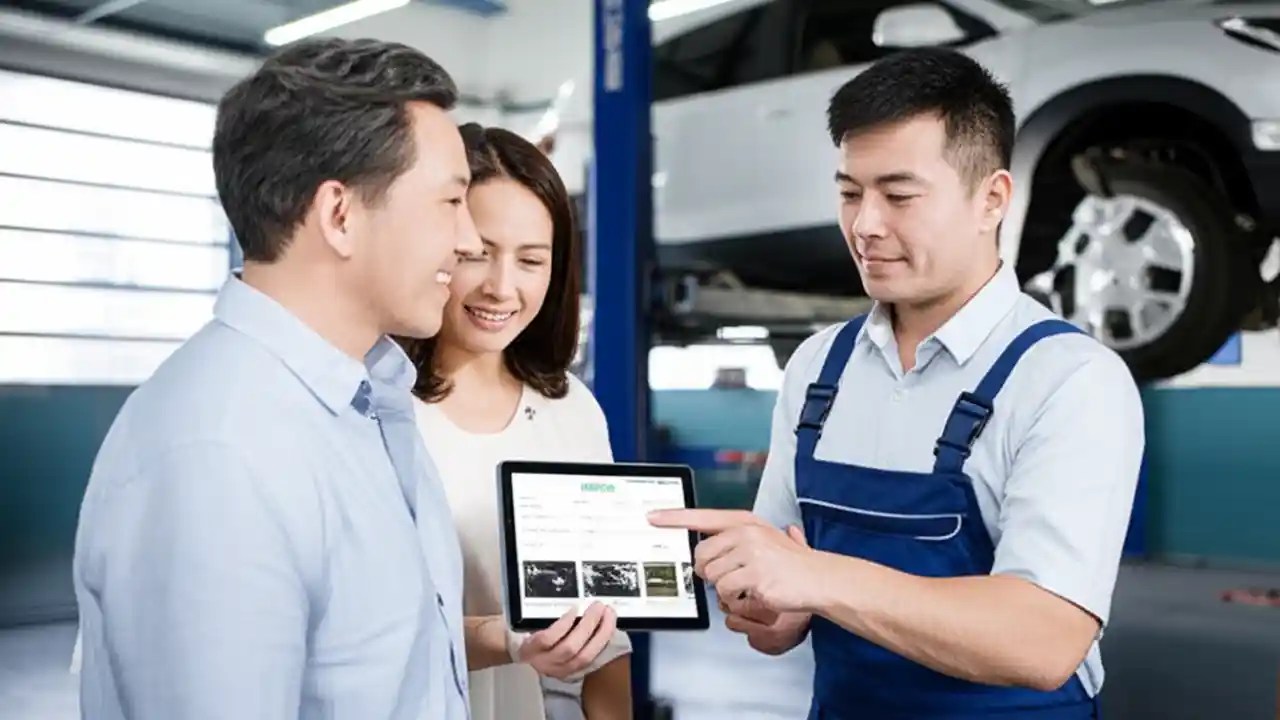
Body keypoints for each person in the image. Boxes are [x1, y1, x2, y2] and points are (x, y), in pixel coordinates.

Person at [650, 47, 1145, 719]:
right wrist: (765, 606)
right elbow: (781, 612)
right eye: (850, 193)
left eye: (899, 196)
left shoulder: (1069, 380)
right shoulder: (818, 368)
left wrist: (818, 578)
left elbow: (1045, 639)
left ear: (992, 199)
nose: (866, 225)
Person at [70, 38, 482, 719]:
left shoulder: (365, 406)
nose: (469, 240)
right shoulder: (219, 456)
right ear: (340, 215)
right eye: (451, 203)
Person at [399, 123, 633, 720]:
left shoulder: (570, 410)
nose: (503, 288)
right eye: (477, 254)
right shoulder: (379, 408)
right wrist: (507, 640)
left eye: (531, 260)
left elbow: (606, 633)